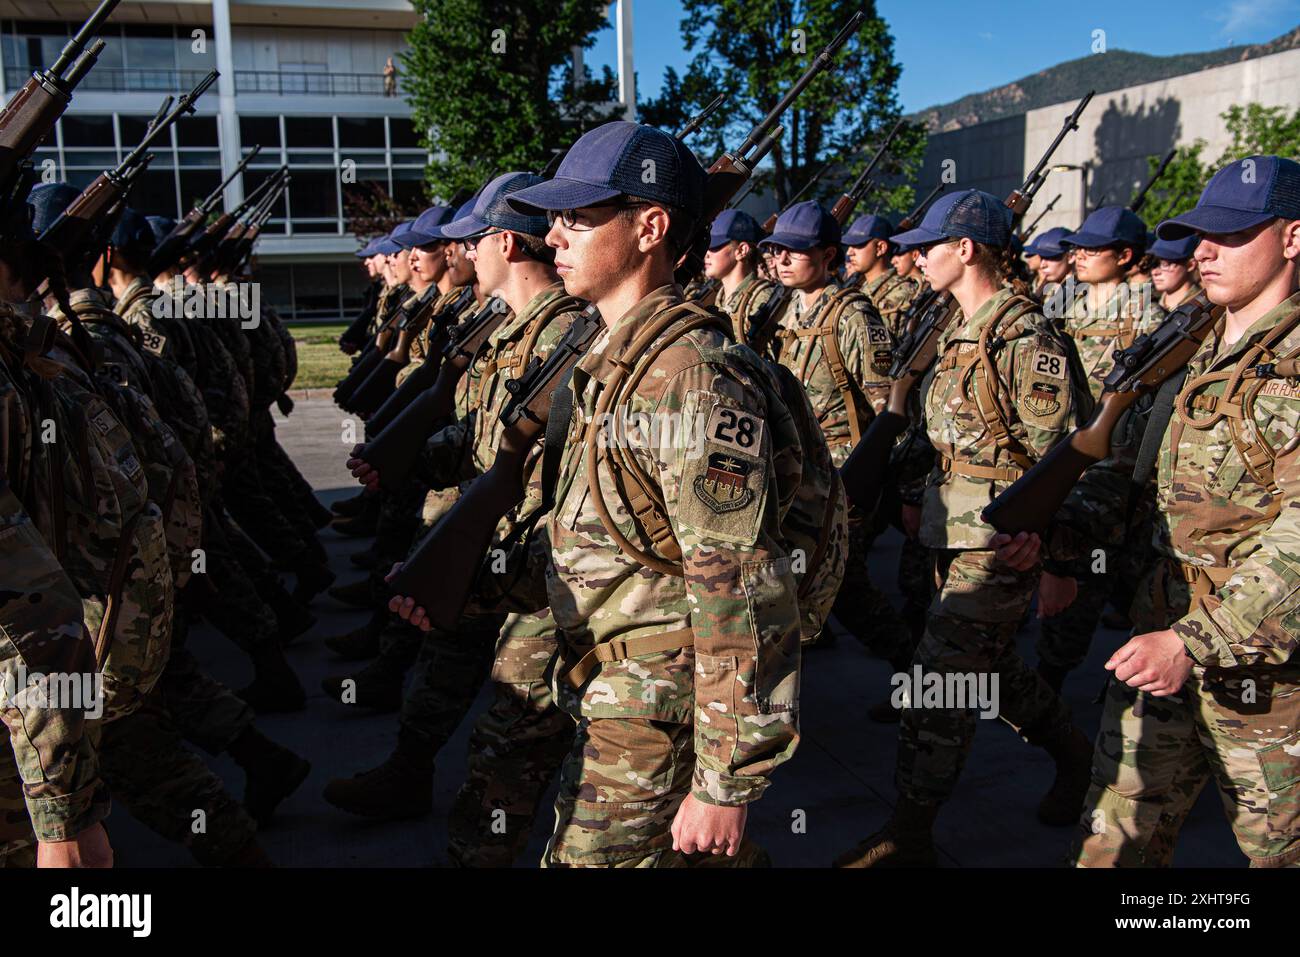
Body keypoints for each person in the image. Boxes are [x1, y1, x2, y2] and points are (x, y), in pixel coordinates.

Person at [395, 121, 805, 866]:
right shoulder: (611, 361)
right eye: (555, 217)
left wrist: (725, 782)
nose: (554, 235)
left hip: (658, 698)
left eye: (579, 217)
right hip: (605, 675)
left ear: (651, 226)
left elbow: (741, 585)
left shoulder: (691, 379)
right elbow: (597, 533)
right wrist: (480, 585)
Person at [834, 189, 1096, 867]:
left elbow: (1063, 459)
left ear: (967, 248)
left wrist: (1061, 561)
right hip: (949, 537)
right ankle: (1075, 754)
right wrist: (916, 489)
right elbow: (938, 436)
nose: (916, 257)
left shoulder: (1023, 339)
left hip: (998, 546)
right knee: (995, 671)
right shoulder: (953, 331)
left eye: (930, 246)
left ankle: (909, 831)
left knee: (937, 687)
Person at [1073, 156, 1300, 868]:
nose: (1202, 250)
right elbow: (1131, 464)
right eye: (1199, 233)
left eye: (1230, 235)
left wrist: (1196, 641)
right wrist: (1058, 538)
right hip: (1160, 639)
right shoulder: (1194, 344)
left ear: (1292, 239)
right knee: (1109, 849)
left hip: (1263, 681)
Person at [703, 208, 780, 348]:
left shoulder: (761, 300)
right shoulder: (718, 300)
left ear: (742, 251)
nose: (707, 253)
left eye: (715, 246)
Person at [843, 213, 920, 337]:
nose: (849, 252)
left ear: (880, 248)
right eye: (850, 246)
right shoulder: (857, 287)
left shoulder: (901, 292)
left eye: (858, 245)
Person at [1149, 233, 1202, 311]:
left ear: (1190, 265)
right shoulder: (1148, 303)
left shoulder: (1202, 308)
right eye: (1154, 264)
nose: (1155, 272)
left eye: (1165, 264)